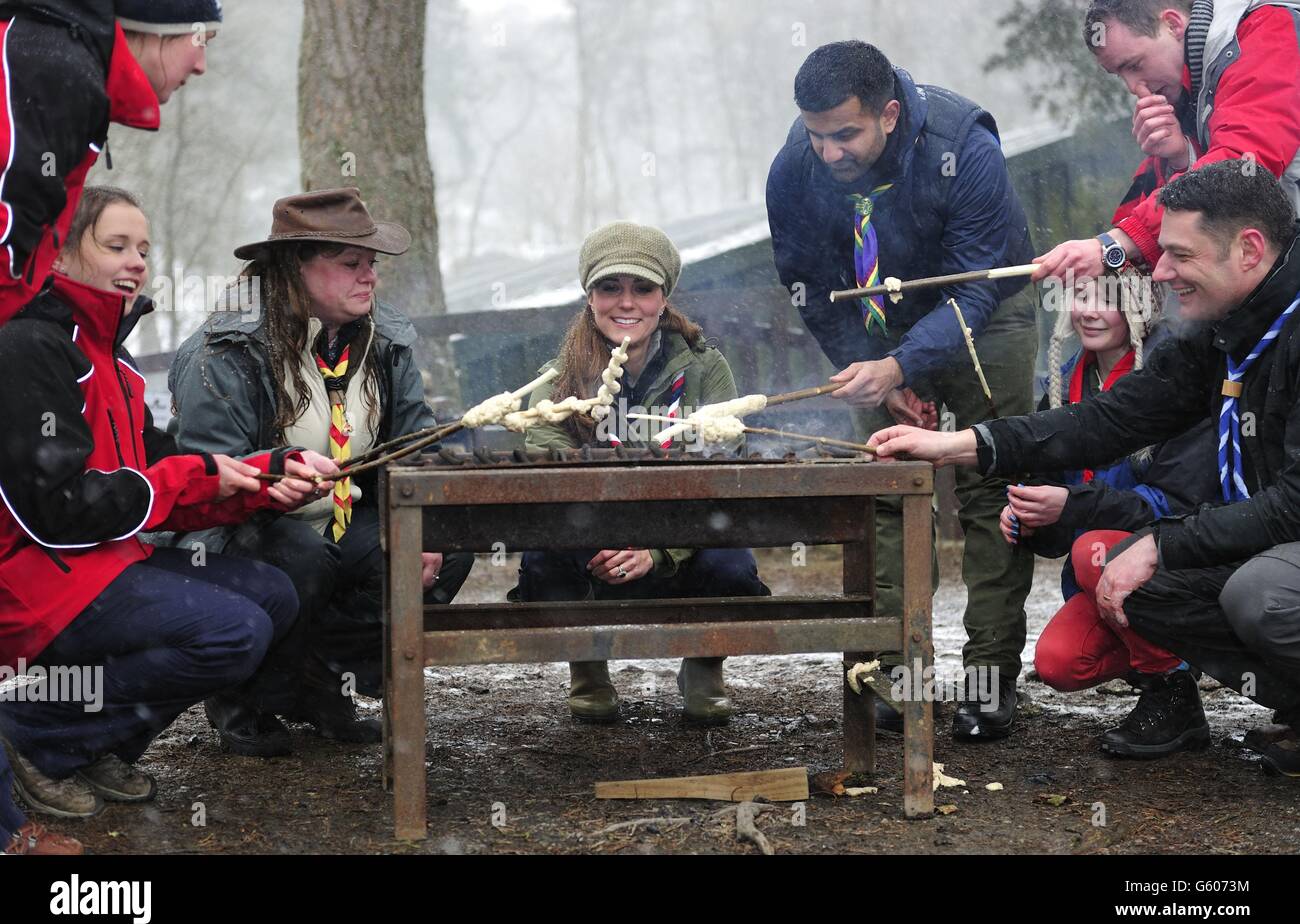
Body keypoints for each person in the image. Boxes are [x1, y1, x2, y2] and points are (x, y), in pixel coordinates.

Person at [869, 159, 1300, 777]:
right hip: (1270, 541)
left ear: (1249, 249)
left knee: (1258, 595)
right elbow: (1111, 421)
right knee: (1145, 587)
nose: (1163, 271)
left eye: (1179, 255)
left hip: (1286, 544)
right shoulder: (1226, 327)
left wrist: (1162, 541)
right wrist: (959, 444)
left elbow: (1293, 503)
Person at [0, 186, 324, 821]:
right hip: (34, 581)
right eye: (116, 246)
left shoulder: (113, 360)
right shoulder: (28, 348)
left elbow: (155, 471)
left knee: (273, 592)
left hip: (102, 565)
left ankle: (93, 743)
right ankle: (29, 731)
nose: (137, 262)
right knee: (231, 631)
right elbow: (56, 510)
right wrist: (192, 476)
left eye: (143, 249)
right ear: (59, 257)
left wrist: (260, 477)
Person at [766, 40, 1040, 739]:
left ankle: (989, 679)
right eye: (815, 134)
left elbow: (975, 286)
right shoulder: (794, 171)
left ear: (888, 114)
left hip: (987, 306)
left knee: (987, 482)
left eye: (845, 134)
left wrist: (905, 363)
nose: (828, 152)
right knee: (888, 488)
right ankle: (894, 673)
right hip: (876, 327)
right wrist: (877, 374)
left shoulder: (963, 144)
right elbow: (812, 291)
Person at [169, 188, 473, 755]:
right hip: (244, 527)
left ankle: (320, 676)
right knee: (299, 559)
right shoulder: (224, 350)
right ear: (295, 269)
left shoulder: (387, 338)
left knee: (445, 547)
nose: (370, 278)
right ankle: (244, 696)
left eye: (372, 265)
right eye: (350, 264)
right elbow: (209, 477)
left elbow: (411, 441)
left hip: (343, 513)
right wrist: (269, 483)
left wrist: (426, 524)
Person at [514, 221, 768, 725]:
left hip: (680, 543)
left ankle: (704, 666)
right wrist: (601, 542)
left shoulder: (704, 369)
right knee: (542, 558)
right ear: (590, 297)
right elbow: (546, 466)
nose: (626, 303)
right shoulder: (558, 376)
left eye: (642, 289)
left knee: (731, 563)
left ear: (663, 297)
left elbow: (721, 466)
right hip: (593, 546)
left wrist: (658, 550)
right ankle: (587, 666)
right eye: (610, 288)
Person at [1007, 268, 1220, 755]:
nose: (1087, 310)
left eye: (1107, 296)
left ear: (1142, 301)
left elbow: (1178, 505)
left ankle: (1175, 689)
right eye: (1079, 295)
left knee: (1091, 549)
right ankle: (1157, 662)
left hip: (1183, 557)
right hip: (1100, 566)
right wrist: (1029, 517)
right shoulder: (1066, 382)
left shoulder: (1178, 373)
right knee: (1060, 661)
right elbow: (1049, 489)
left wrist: (1070, 508)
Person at [1034, 0, 1300, 283]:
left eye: (1135, 65)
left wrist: (1113, 246)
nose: (1134, 88)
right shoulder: (1191, 84)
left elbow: (1239, 168)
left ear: (1173, 24)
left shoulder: (1269, 28)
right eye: (1119, 76)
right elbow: (1195, 185)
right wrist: (1182, 158)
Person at [0, 0, 220, 323]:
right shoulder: (53, 71)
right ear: (157, 27)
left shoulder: (54, 57)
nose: (202, 65)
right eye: (201, 40)